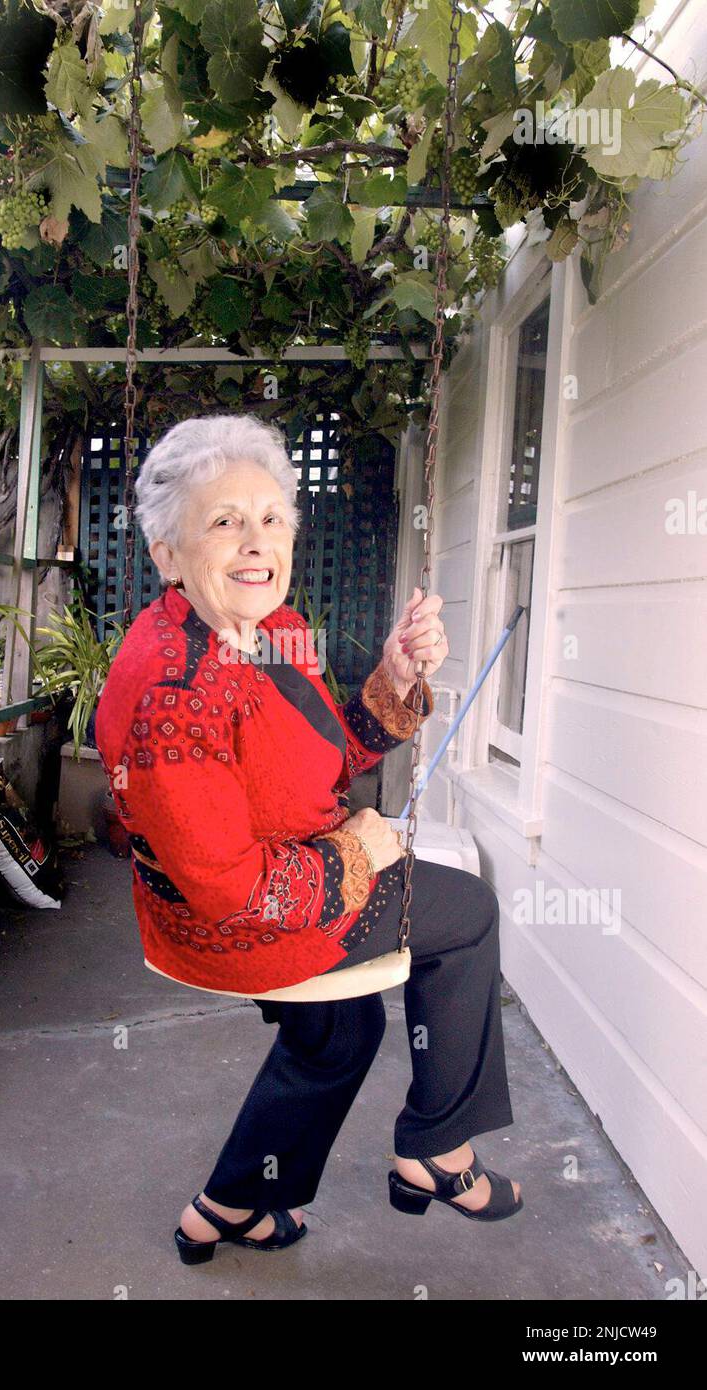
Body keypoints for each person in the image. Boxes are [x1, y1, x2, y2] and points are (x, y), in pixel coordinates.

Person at [95, 414, 522, 1264]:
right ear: (167, 555)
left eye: (271, 517)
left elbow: (331, 757)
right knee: (466, 911)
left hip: (282, 878)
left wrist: (396, 675)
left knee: (338, 1035)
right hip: (234, 919)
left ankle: (227, 1208)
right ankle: (437, 1146)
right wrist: (357, 853)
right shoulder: (174, 688)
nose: (256, 542)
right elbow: (231, 888)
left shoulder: (275, 630)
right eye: (223, 521)